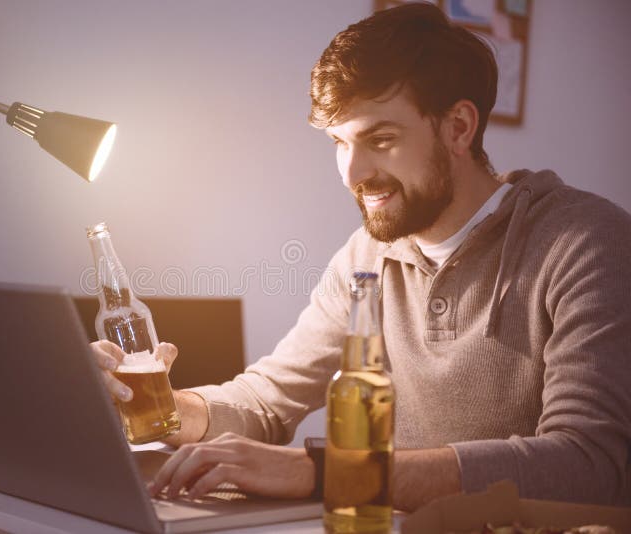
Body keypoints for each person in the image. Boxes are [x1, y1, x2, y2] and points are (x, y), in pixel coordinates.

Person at [91, 3, 631, 510]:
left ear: (459, 128)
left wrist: (330, 472)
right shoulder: (366, 257)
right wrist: (160, 408)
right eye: (339, 143)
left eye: (381, 138)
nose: (352, 174)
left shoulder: (584, 242)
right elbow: (266, 401)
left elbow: (590, 463)